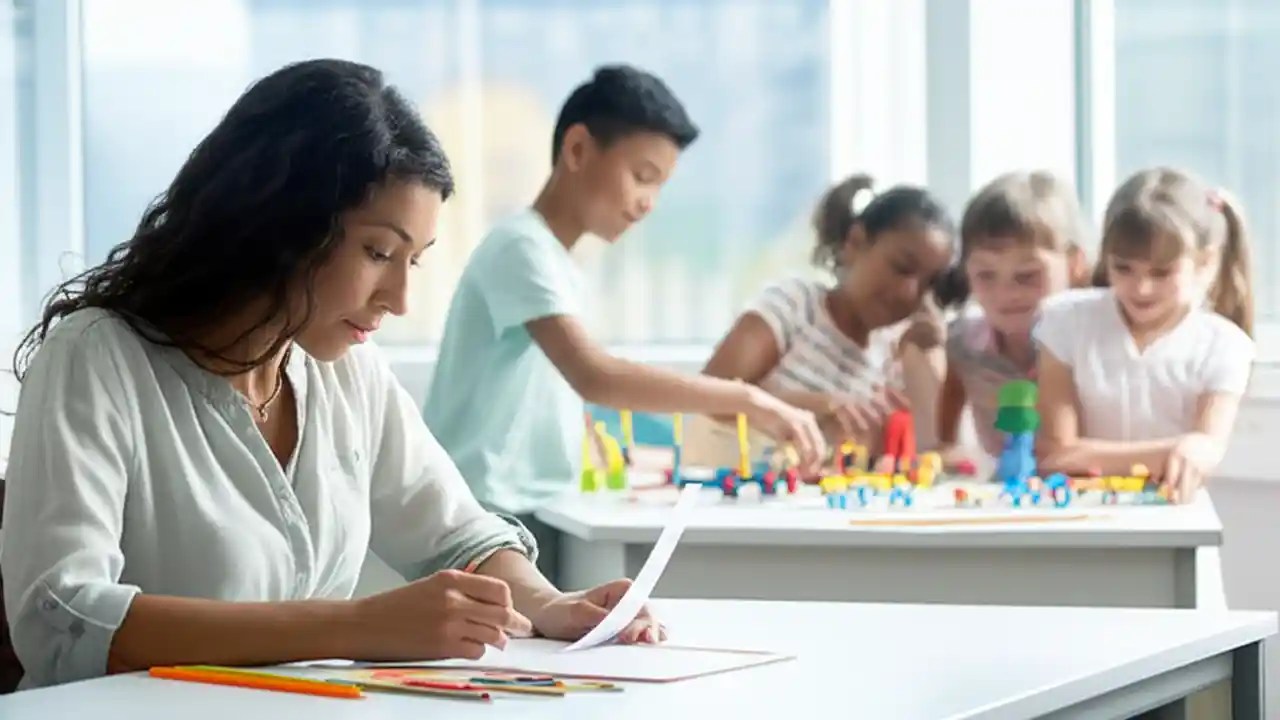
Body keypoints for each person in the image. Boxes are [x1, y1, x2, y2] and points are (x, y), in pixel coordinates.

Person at [1, 59, 661, 692]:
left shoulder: (346, 374)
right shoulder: (95, 359)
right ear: (279, 223)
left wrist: (548, 604)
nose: (399, 298)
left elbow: (460, 536)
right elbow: (62, 619)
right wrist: (358, 626)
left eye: (415, 261)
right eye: (378, 252)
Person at [422, 65, 824, 580]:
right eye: (642, 176)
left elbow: (554, 393)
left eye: (659, 187)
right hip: (485, 512)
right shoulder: (521, 248)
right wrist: (746, 398)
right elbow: (596, 376)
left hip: (530, 507)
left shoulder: (559, 263)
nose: (647, 203)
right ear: (578, 150)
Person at [1034, 166, 1255, 505]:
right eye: (1123, 268)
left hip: (1170, 516)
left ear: (1204, 261)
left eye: (1162, 272)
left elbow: (1206, 450)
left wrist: (1197, 448)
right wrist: (1175, 450)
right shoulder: (1065, 321)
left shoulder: (1224, 346)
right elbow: (1054, 455)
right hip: (1076, 514)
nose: (1141, 287)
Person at [699, 175, 957, 455]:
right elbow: (709, 396)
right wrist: (821, 404)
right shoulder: (795, 306)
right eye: (901, 267)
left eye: (928, 283)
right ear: (855, 243)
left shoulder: (893, 355)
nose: (910, 293)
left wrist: (931, 353)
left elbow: (926, 448)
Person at [936, 171, 1089, 461]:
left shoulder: (1096, 342)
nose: (1005, 292)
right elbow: (944, 439)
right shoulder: (962, 344)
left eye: (1027, 275)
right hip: (1008, 493)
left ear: (1074, 263)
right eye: (985, 275)